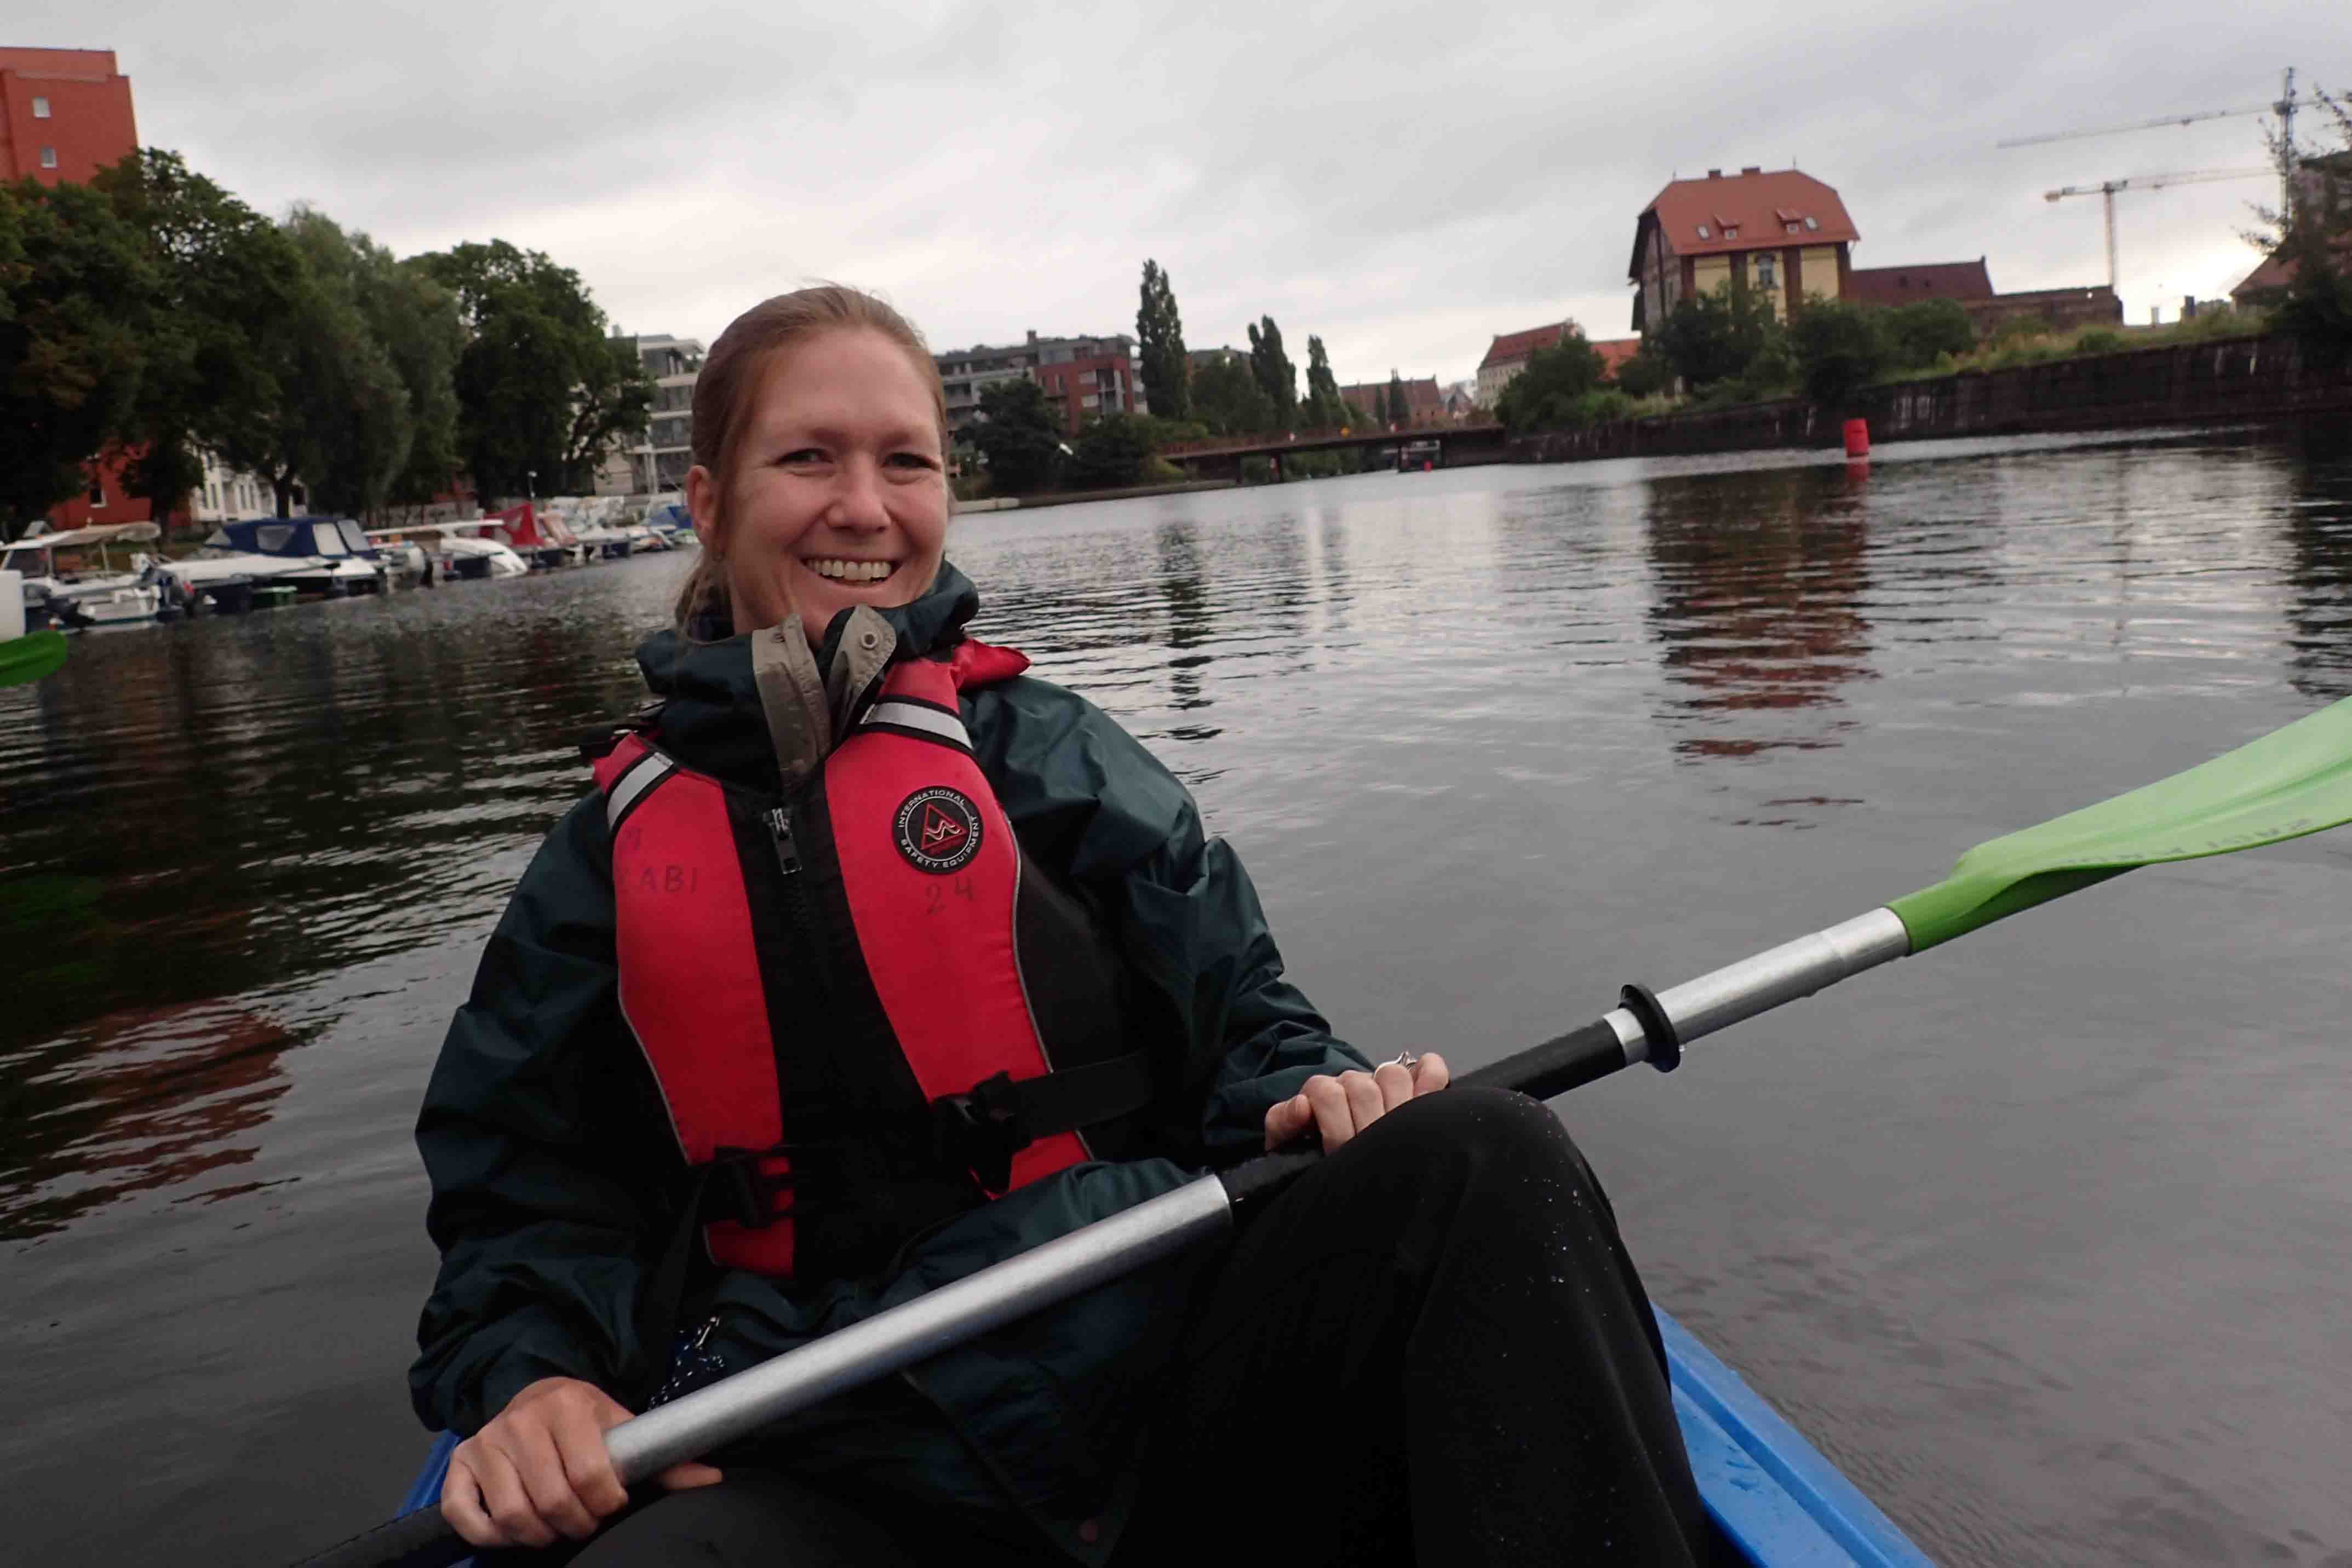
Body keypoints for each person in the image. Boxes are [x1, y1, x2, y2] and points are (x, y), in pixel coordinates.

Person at [412, 285, 1724, 1566]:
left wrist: (1310, 1092)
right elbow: (519, 1191)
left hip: (1155, 1375)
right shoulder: (598, 865)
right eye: (807, 457)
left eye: (903, 461)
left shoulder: (1055, 758)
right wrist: (533, 1381)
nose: (861, 507)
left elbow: (1249, 1027)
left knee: (1480, 1154)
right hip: (830, 1454)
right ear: (709, 500)